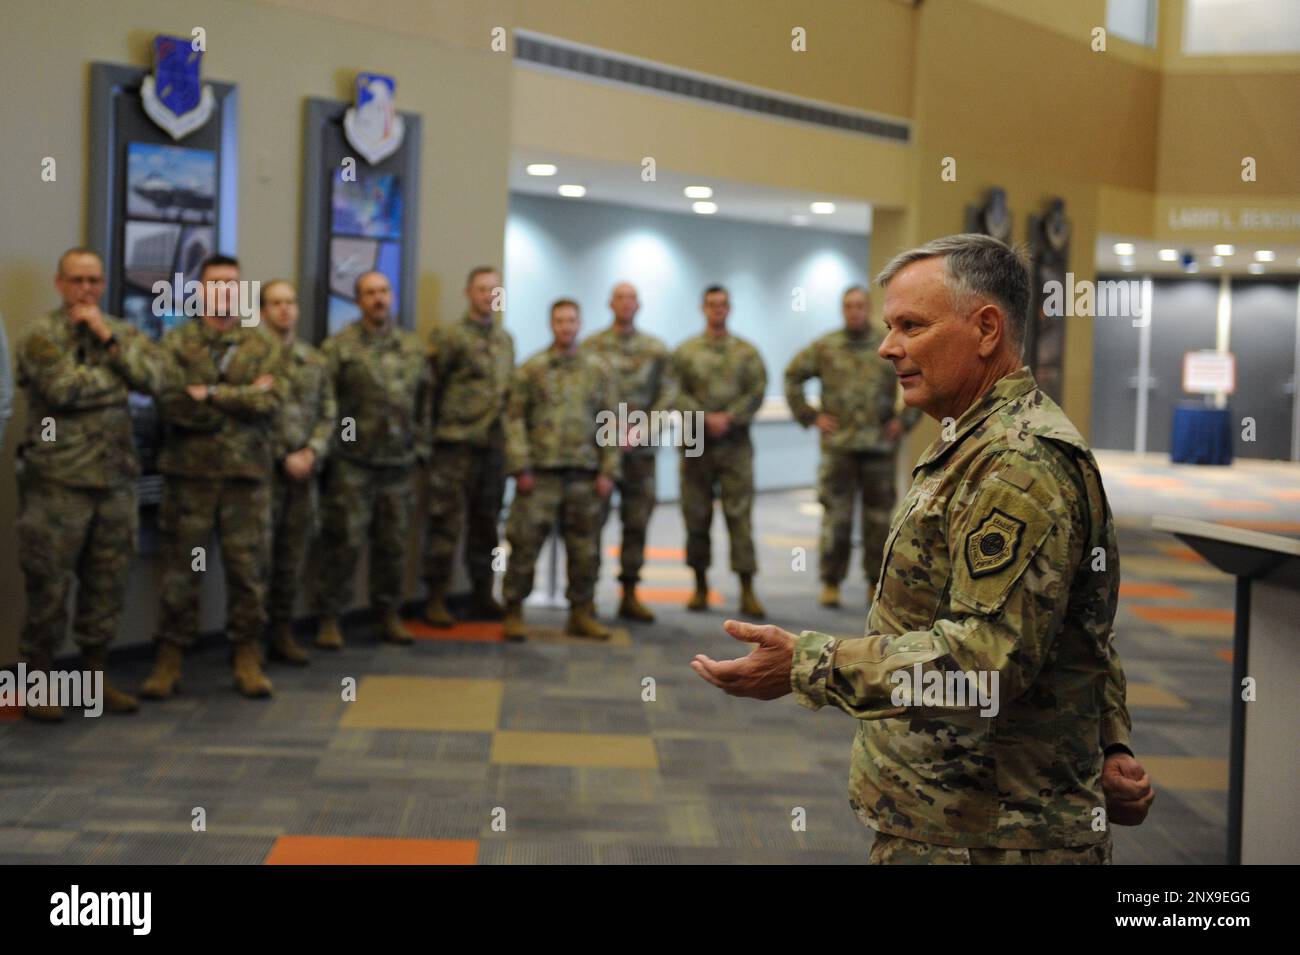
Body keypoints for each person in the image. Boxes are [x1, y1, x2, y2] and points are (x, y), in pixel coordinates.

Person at [691, 234, 1154, 864]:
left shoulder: (1017, 465)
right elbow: (1079, 632)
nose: (888, 348)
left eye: (911, 325)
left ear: (986, 328)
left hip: (987, 835)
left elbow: (984, 663)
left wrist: (810, 664)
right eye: (888, 326)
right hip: (957, 815)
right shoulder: (976, 441)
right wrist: (1115, 746)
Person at [14, 248, 161, 719]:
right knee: (49, 587)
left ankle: (94, 680)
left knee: (107, 583)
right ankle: (39, 684)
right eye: (76, 280)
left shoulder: (120, 330)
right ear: (60, 284)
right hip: (59, 480)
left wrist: (106, 338)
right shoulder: (41, 335)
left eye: (94, 280)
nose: (86, 289)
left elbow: (155, 378)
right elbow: (61, 390)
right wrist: (120, 377)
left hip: (116, 479)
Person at [143, 254, 285, 700]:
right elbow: (171, 404)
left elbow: (271, 402)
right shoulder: (176, 343)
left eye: (232, 284)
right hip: (190, 479)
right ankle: (170, 658)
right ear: (200, 290)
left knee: (248, 573)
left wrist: (211, 394)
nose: (224, 291)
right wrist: (240, 398)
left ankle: (247, 656)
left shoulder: (262, 343)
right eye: (215, 283)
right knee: (181, 572)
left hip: (246, 480)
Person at [314, 271, 432, 649]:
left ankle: (389, 614)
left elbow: (425, 402)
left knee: (393, 545)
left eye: (383, 291)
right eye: (370, 293)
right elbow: (328, 404)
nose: (378, 299)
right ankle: (330, 617)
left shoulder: (412, 348)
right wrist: (341, 445)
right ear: (358, 300)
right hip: (353, 464)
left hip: (398, 465)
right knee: (343, 542)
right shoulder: (339, 348)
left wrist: (421, 446)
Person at [785, 285, 919, 608]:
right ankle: (831, 581)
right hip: (840, 447)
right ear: (842, 310)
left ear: (868, 308)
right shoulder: (826, 346)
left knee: (879, 519)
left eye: (860, 306)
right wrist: (810, 416)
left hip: (879, 447)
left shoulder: (886, 343)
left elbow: (920, 373)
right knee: (837, 517)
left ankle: (877, 582)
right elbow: (792, 376)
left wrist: (904, 420)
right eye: (848, 306)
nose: (854, 311)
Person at [501, 299, 618, 641]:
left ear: (580, 324)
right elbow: (514, 419)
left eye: (571, 321)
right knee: (524, 543)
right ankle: (513, 611)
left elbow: (610, 419)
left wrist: (608, 470)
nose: (566, 327)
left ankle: (581, 612)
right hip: (540, 474)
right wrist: (520, 466)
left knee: (585, 549)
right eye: (559, 321)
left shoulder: (598, 370)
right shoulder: (532, 369)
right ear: (551, 325)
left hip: (584, 473)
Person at [422, 266, 514, 626]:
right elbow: (432, 389)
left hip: (493, 449)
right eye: (481, 289)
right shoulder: (449, 337)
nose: (488, 296)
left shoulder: (505, 340)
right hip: (455, 446)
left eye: (494, 290)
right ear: (468, 293)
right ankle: (435, 597)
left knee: (487, 527)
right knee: (445, 524)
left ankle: (482, 593)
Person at [581, 281, 675, 622]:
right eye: (619, 297)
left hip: (641, 455)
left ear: (639, 305)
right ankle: (585, 597)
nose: (625, 303)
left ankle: (630, 593)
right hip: (600, 452)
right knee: (591, 524)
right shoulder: (591, 346)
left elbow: (667, 398)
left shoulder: (656, 349)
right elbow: (582, 395)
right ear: (610, 303)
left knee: (636, 524)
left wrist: (641, 432)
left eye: (631, 298)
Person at [671, 285, 767, 617]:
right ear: (703, 308)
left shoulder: (746, 352)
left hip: (735, 445)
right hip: (696, 443)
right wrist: (703, 417)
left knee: (739, 517)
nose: (717, 309)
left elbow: (757, 391)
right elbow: (674, 392)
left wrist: (731, 417)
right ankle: (699, 585)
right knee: (696, 517)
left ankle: (747, 589)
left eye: (723, 304)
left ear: (730, 308)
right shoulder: (685, 352)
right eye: (711, 304)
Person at [260, 280, 335, 664]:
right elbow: (246, 417)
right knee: (257, 562)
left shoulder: (314, 360)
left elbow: (329, 413)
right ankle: (248, 642)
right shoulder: (249, 358)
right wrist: (281, 456)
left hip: (305, 476)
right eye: (276, 303)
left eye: (290, 302)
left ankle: (282, 633)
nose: (285, 310)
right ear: (262, 311)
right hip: (263, 477)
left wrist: (312, 452)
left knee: (292, 557)